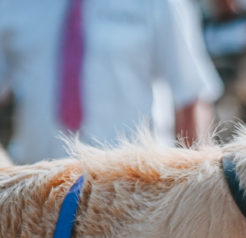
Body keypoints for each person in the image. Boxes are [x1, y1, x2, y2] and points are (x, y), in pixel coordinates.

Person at [0, 0, 223, 165]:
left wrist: (192, 187)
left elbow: (191, 96)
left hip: (132, 192)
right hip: (38, 193)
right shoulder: (14, 5)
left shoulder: (159, 3)